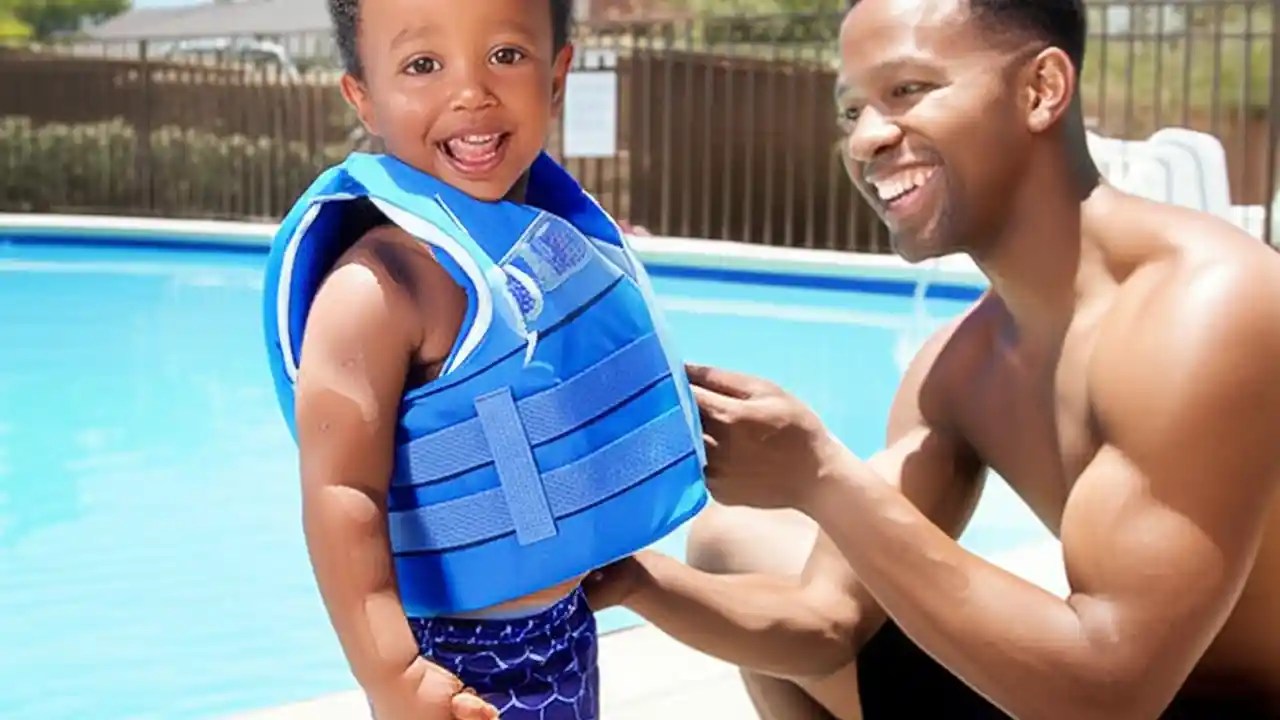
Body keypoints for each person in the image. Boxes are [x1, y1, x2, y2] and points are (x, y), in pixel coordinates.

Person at [584, 0, 1280, 717]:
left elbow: (1109, 696)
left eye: (908, 91)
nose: (867, 140)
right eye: (852, 112)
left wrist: (822, 477)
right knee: (736, 539)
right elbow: (826, 623)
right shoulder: (962, 366)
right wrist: (632, 579)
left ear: (1040, 90)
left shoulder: (1210, 306)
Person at [258, 0, 709, 718]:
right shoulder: (374, 290)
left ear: (556, 77)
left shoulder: (540, 248)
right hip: (450, 660)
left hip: (564, 630)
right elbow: (340, 493)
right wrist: (391, 672)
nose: (471, 92)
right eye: (423, 65)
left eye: (506, 55)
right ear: (363, 97)